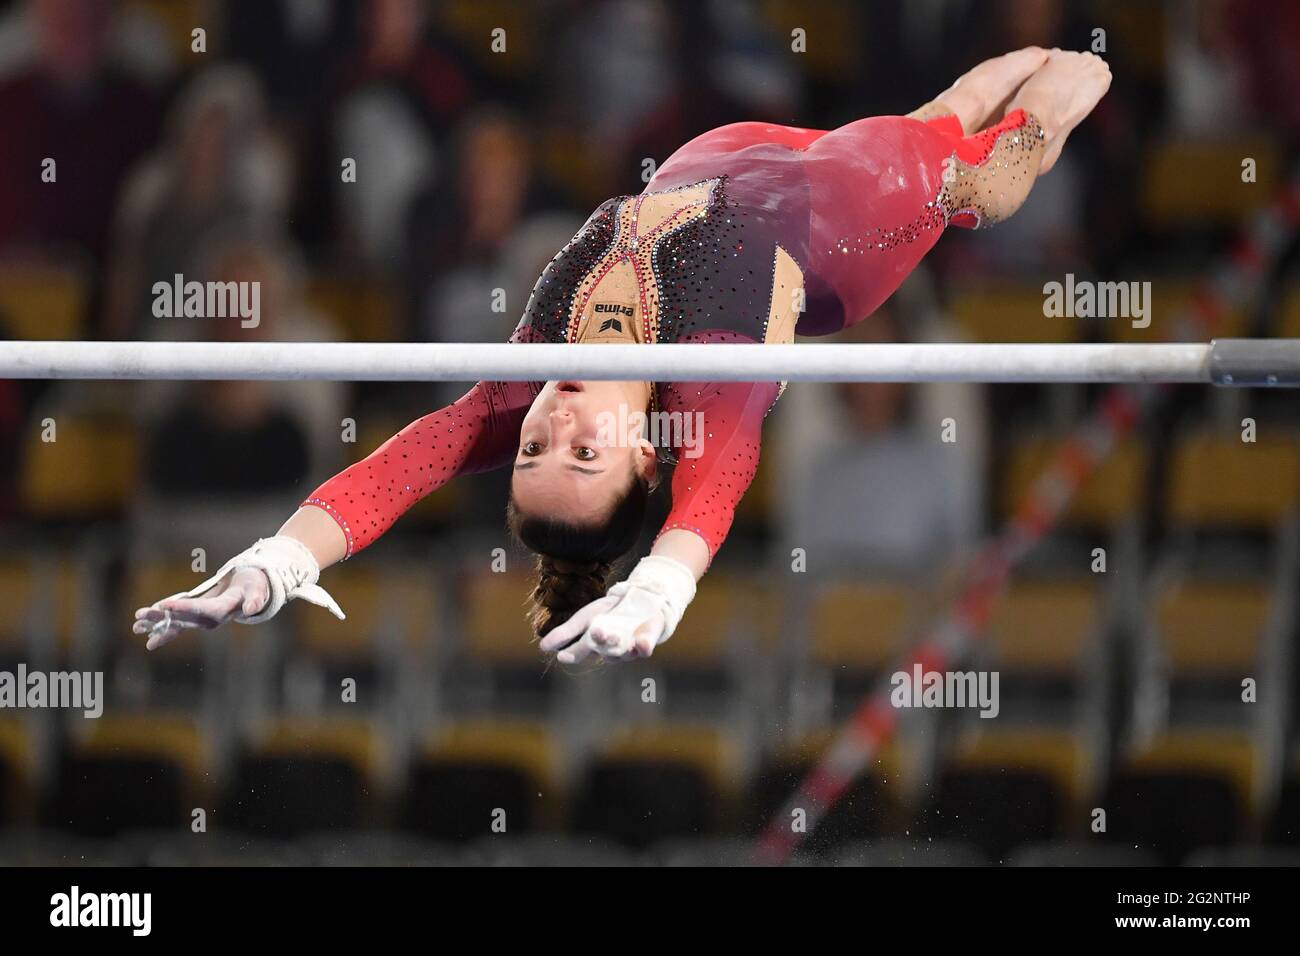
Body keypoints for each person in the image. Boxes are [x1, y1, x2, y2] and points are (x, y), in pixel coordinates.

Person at [135, 48, 1111, 667]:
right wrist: (659, 586)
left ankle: (987, 89)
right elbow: (716, 485)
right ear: (648, 448)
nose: (552, 427)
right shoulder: (710, 370)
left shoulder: (536, 375)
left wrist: (273, 563)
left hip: (710, 156)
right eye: (584, 456)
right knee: (977, 166)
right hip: (846, 224)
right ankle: (1067, 92)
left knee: (940, 109)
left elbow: (405, 464)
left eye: (534, 451)